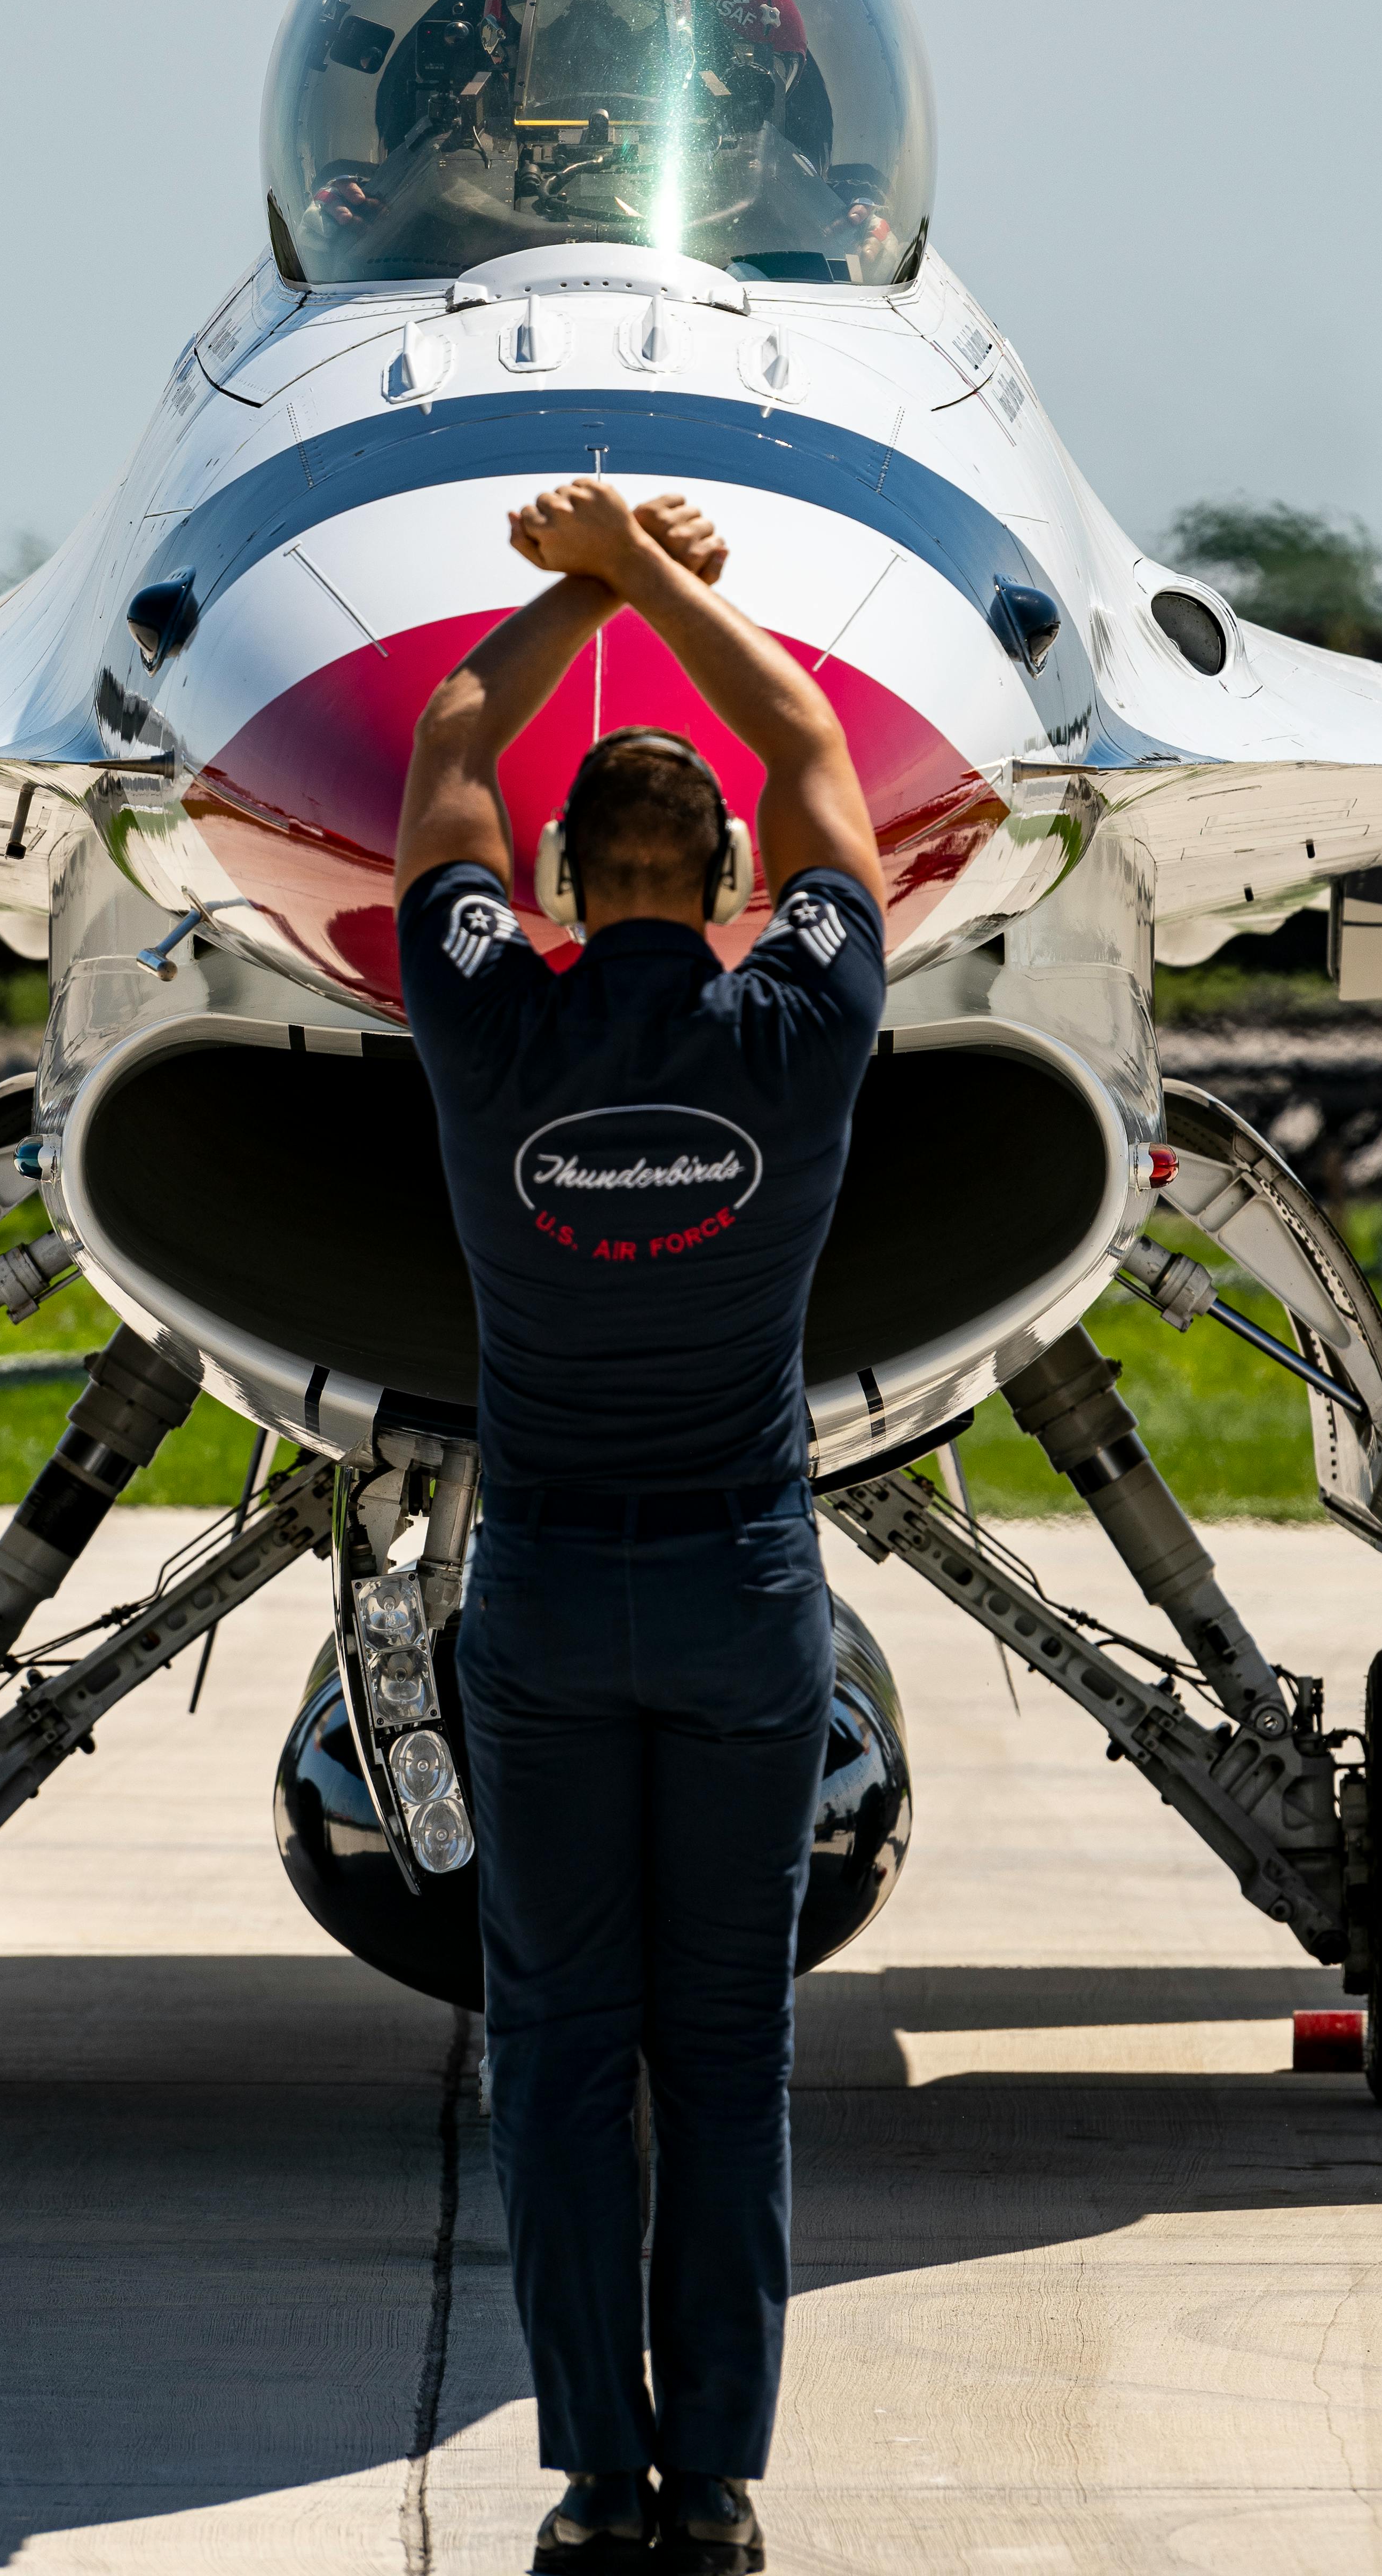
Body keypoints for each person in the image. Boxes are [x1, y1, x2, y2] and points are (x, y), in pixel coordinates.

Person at [393, 480, 887, 2576]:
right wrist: (666, 581)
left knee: (564, 2052)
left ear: (571, 886)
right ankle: (725, 2488)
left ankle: (599, 2480)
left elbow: (438, 765)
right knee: (729, 2051)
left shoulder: (494, 1017)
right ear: (729, 883)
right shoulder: (794, 1020)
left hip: (541, 1594)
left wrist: (563, 589)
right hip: (742, 1590)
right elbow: (817, 758)